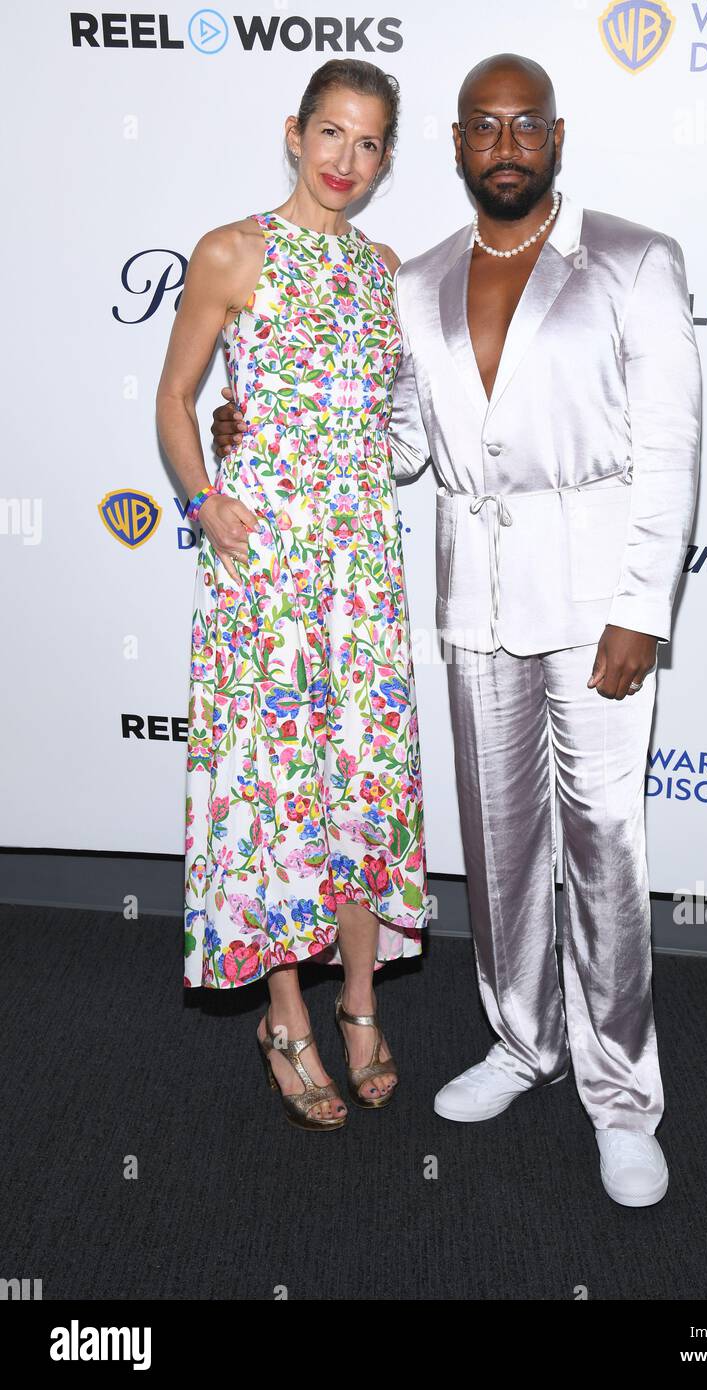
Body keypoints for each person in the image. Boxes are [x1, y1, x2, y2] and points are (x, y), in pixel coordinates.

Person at [214, 52, 702, 1204]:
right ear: (454, 145)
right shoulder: (419, 278)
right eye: (481, 127)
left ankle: (621, 1095)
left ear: (557, 135)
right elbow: (390, 442)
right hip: (472, 605)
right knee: (499, 851)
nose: (504, 144)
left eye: (523, 124)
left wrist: (641, 608)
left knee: (607, 854)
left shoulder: (630, 258)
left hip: (597, 613)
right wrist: (264, 421)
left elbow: (671, 451)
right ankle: (523, 1043)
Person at [157, 58, 430, 1132]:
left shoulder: (383, 271)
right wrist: (202, 503)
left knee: (363, 780)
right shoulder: (231, 251)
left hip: (361, 571)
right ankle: (287, 1019)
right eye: (329, 134)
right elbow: (178, 399)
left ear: (385, 160)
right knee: (281, 796)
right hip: (265, 573)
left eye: (367, 145)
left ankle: (360, 1000)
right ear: (293, 131)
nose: (343, 161)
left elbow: (395, 428)